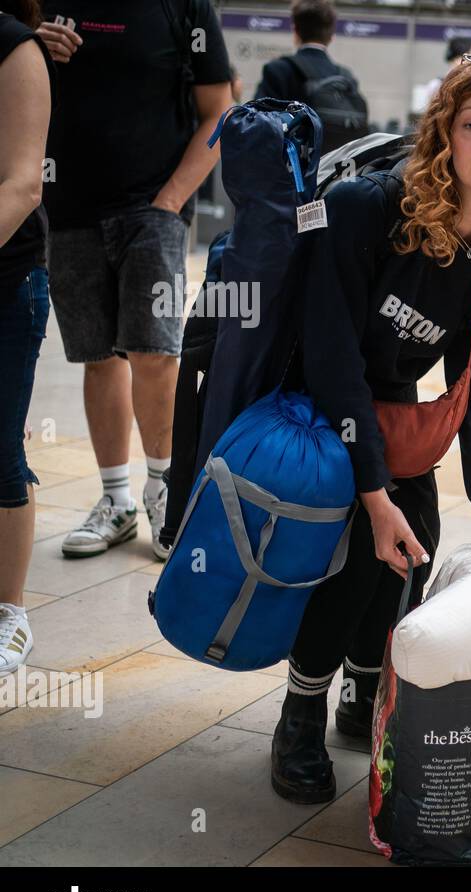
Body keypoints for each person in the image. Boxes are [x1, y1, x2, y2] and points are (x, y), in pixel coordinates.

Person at [270, 56, 471, 804]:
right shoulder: (370, 209)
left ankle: (365, 693)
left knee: (415, 534)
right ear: (446, 136)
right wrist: (370, 489)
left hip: (383, 395)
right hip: (307, 395)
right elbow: (330, 357)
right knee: (364, 543)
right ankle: (300, 711)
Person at [37, 2, 232, 562]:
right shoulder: (46, 7)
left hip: (153, 210)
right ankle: (117, 500)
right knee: (98, 358)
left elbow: (218, 110)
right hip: (69, 209)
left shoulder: (182, 7)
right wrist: (32, 41)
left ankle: (164, 489)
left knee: (154, 352)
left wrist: (171, 201)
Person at [0, 0, 54, 676]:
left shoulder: (15, 50)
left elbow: (22, 185)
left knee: (1, 445)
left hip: (7, 278)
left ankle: (9, 610)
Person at [254, 0, 367, 153]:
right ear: (331, 36)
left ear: (295, 31)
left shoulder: (278, 70)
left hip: (292, 172)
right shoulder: (346, 78)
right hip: (337, 172)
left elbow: (258, 126)